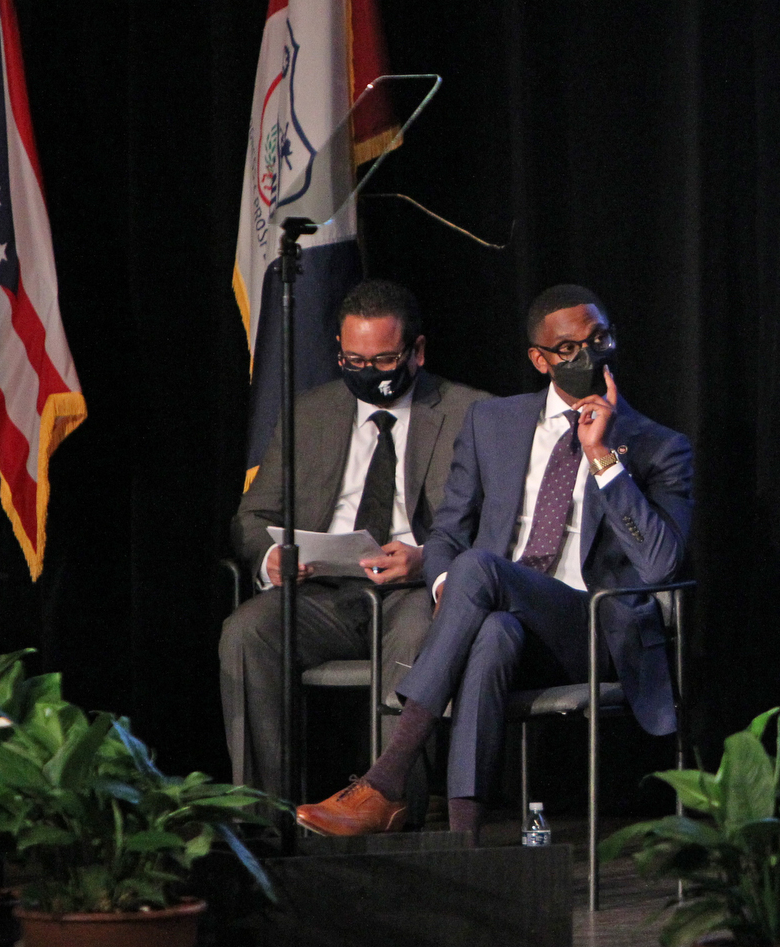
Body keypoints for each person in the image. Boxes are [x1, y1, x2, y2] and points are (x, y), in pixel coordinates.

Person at [294, 284, 694, 843]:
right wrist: (443, 589)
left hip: (593, 629)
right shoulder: (493, 423)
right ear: (539, 358)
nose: (588, 355)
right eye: (569, 347)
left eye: (598, 339)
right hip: (509, 619)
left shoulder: (658, 446)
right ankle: (468, 845)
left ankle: (386, 777)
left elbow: (660, 565)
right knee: (493, 634)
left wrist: (603, 457)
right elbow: (447, 534)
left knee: (480, 569)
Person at [220, 279, 491, 798]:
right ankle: (261, 815)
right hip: (324, 591)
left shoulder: (470, 413)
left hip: (413, 591)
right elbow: (253, 515)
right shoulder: (309, 413)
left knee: (417, 633)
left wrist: (427, 560)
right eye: (354, 361)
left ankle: (391, 806)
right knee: (245, 632)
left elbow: (499, 526)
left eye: (385, 361)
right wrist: (273, 555)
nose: (368, 374)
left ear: (417, 351)